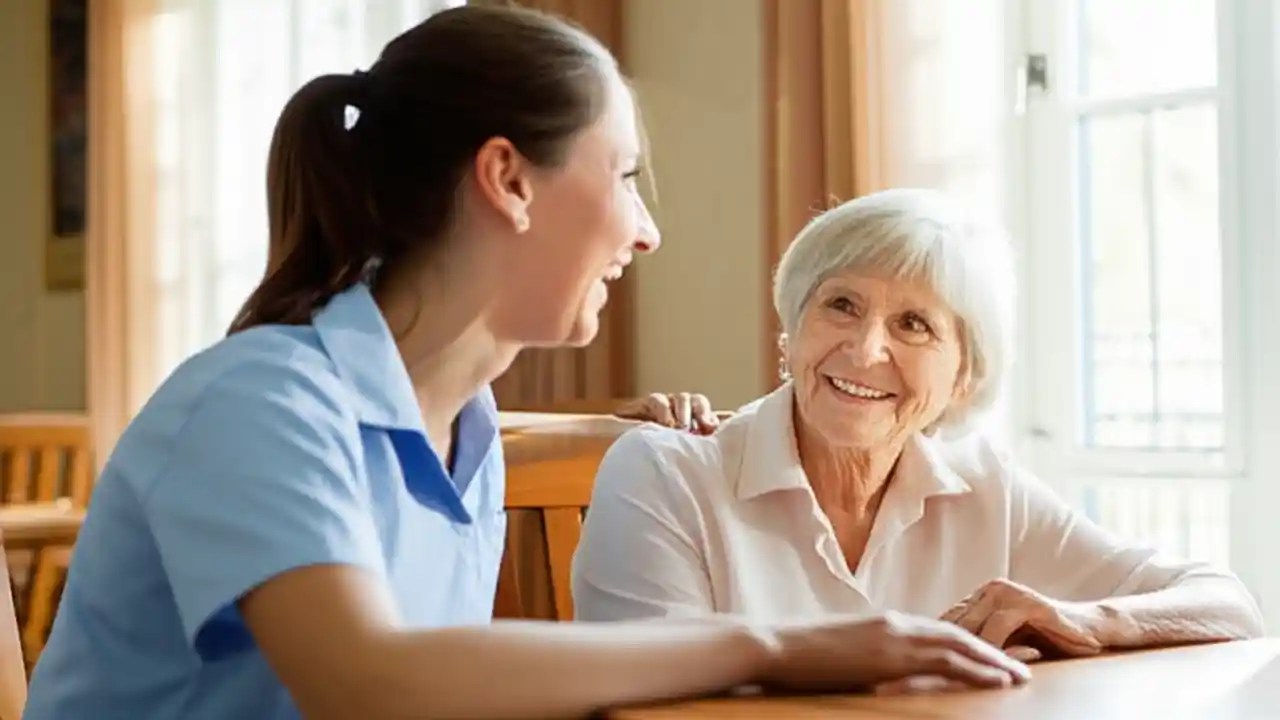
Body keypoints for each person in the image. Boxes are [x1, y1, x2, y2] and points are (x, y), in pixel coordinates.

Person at [23, 8, 1030, 720]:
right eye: (623, 176)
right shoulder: (258, 402)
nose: (645, 231)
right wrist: (778, 644)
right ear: (507, 179)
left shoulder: (463, 438)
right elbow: (368, 683)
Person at [573, 189, 1265, 662]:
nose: (865, 349)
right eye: (841, 305)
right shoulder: (665, 475)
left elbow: (1228, 605)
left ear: (964, 377)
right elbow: (651, 692)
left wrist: (1087, 620)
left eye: (913, 324)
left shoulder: (986, 487)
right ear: (791, 331)